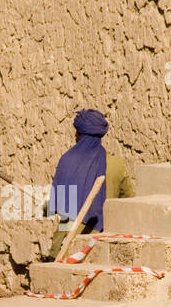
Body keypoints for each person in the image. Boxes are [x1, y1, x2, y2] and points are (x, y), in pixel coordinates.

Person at [46, 109, 135, 260]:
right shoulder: (116, 165)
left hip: (65, 243)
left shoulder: (67, 160)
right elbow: (129, 203)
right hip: (100, 246)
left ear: (79, 135)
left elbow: (57, 204)